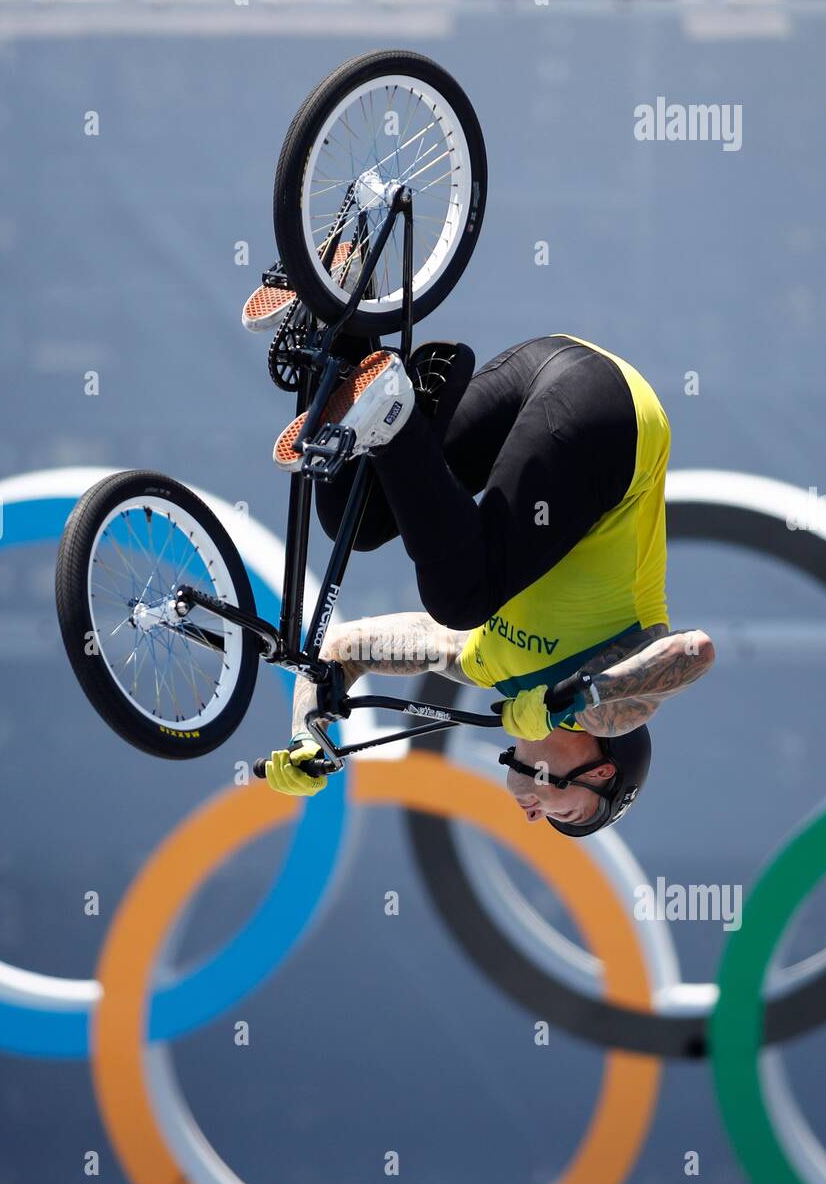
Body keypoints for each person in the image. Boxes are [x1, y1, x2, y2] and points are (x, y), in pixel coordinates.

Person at [263, 335, 715, 834]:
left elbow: (347, 650)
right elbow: (695, 653)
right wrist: (569, 700)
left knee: (360, 518)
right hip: (615, 421)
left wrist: (306, 734)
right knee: (461, 598)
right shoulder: (612, 716)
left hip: (549, 371)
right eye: (563, 812)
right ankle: (394, 413)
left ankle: (338, 328)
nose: (534, 815)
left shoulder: (482, 662)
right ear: (601, 770)